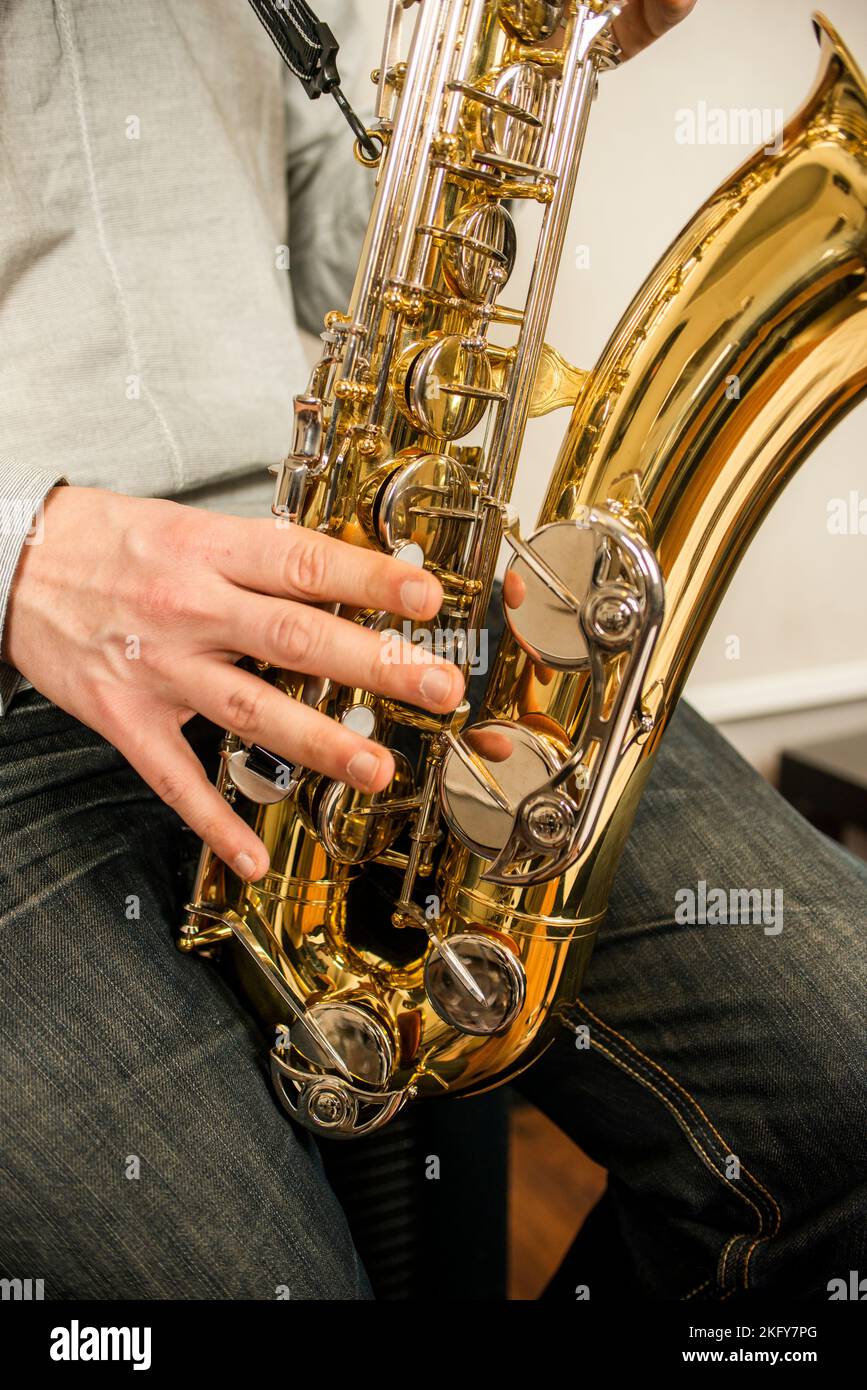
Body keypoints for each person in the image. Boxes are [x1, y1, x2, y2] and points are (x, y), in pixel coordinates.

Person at [0, 0, 862, 1301]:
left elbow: (348, 257)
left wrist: (521, 94)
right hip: (17, 698)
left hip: (335, 588)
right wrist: (21, 552)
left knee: (850, 1101)